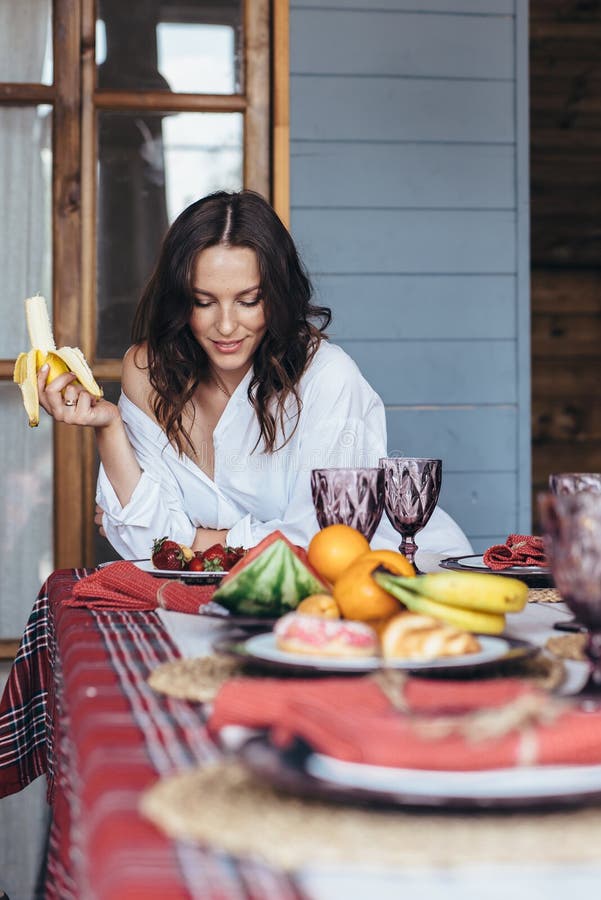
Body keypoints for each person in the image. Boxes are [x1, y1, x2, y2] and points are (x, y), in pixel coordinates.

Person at [38, 190, 471, 563]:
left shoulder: (327, 378)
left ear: (278, 296)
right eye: (204, 302)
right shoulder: (149, 372)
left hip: (395, 577)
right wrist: (110, 426)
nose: (226, 326)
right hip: (224, 594)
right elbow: (139, 539)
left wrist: (191, 540)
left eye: (248, 301)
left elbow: (322, 544)